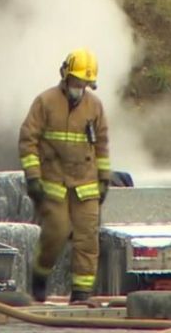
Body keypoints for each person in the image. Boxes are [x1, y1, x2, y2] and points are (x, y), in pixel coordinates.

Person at [19, 48, 110, 303]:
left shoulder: (95, 106)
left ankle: (81, 293)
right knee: (56, 233)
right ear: (65, 75)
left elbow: (102, 144)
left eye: (84, 83)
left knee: (87, 238)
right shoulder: (45, 102)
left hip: (86, 184)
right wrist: (33, 177)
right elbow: (28, 140)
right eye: (76, 81)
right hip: (55, 182)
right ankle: (40, 274)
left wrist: (104, 179)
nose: (79, 86)